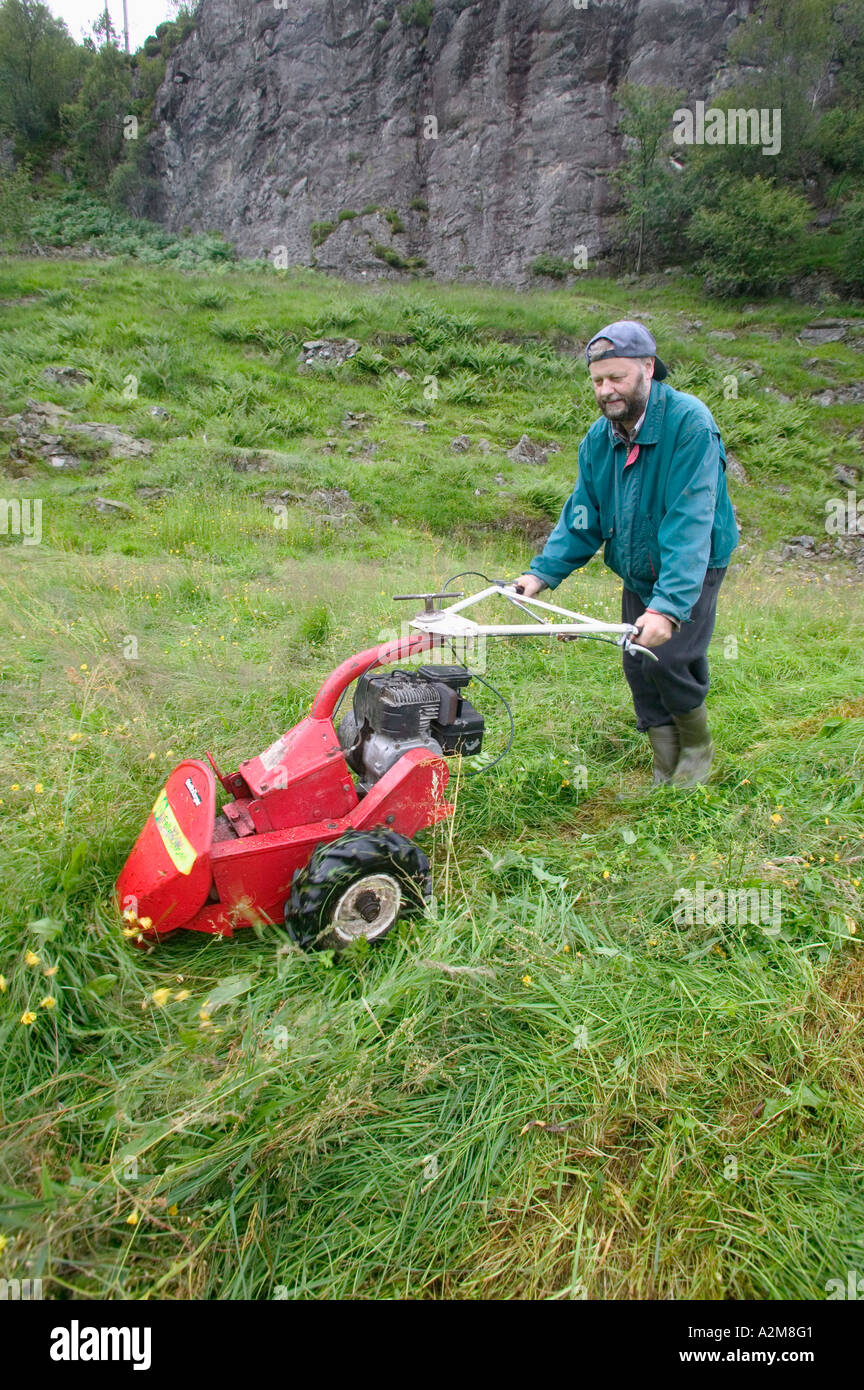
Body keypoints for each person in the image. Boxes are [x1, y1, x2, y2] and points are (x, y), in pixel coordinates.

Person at [514, 319, 738, 787]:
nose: (606, 390)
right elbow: (583, 514)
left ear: (648, 369)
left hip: (690, 566)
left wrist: (668, 607)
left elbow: (690, 520)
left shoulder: (689, 423)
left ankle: (696, 754)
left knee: (671, 658)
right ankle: (665, 760)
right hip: (638, 567)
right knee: (637, 662)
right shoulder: (600, 438)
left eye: (617, 377)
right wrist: (540, 575)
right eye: (598, 380)